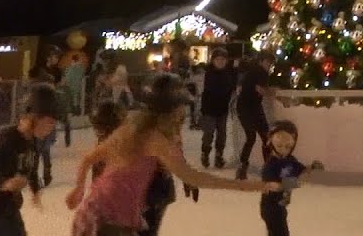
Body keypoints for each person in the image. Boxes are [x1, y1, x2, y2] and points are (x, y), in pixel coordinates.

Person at [67, 73, 276, 236]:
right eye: (182, 105)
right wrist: (252, 186)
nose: (184, 111)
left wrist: (78, 189)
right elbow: (197, 178)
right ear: (171, 108)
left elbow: (89, 158)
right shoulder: (156, 141)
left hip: (95, 213)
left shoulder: (131, 127)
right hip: (108, 223)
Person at [0, 85, 61, 236]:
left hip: (8, 209)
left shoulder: (32, 142)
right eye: (49, 122)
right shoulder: (6, 139)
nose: (51, 128)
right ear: (33, 117)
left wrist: (35, 190)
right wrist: (4, 184)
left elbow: (31, 167)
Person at [236, 52, 277, 180]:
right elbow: (260, 89)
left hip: (249, 107)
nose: (269, 65)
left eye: (270, 63)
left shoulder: (253, 71)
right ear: (261, 61)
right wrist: (274, 94)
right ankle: (263, 167)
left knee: (261, 137)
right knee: (257, 136)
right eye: (267, 62)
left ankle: (246, 166)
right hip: (248, 107)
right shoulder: (260, 72)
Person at [28, 50, 63, 186]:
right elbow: (57, 107)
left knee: (37, 150)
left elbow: (29, 106)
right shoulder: (51, 94)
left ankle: (36, 174)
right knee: (45, 150)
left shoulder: (35, 93)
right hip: (47, 121)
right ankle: (46, 174)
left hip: (38, 121)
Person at [200, 47, 236, 168]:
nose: (220, 62)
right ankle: (205, 153)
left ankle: (219, 155)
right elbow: (212, 89)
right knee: (209, 133)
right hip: (210, 109)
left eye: (223, 60)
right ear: (213, 60)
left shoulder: (228, 73)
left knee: (222, 134)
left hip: (222, 109)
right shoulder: (209, 73)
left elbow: (231, 87)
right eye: (218, 59)